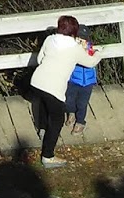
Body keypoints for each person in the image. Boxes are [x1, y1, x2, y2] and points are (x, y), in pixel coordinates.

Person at [28, 15, 99, 167]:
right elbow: (91, 62)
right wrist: (99, 52)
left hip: (37, 81)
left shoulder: (49, 40)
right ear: (74, 31)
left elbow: (40, 59)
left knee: (43, 104)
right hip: (54, 88)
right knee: (57, 120)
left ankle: (42, 129)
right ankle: (48, 156)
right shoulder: (75, 49)